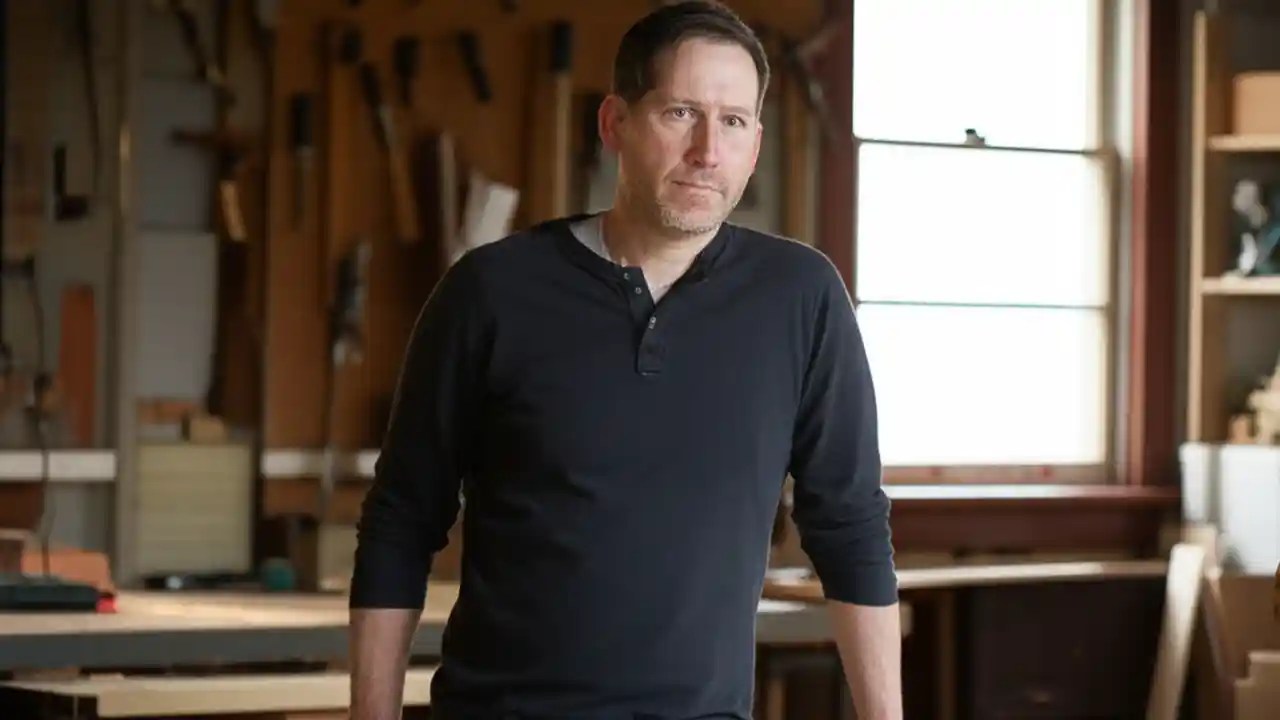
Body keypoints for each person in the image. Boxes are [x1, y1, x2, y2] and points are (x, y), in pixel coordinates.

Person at [347, 2, 902, 719]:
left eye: (732, 122)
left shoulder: (801, 298)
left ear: (755, 145)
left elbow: (851, 523)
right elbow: (399, 520)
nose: (707, 150)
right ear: (615, 123)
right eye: (680, 113)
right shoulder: (491, 291)